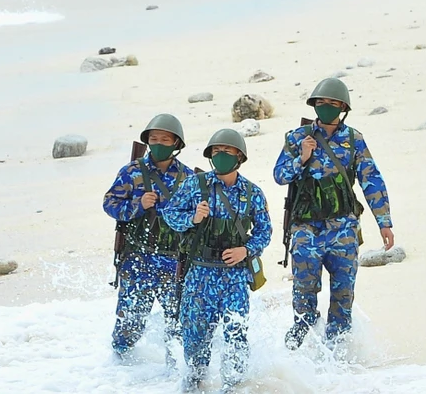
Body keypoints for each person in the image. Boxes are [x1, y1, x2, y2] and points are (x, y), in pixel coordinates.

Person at [274, 77, 395, 349]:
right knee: (303, 295)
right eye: (321, 102)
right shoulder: (297, 137)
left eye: (332, 103)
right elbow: (279, 176)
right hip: (306, 229)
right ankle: (299, 352)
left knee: (343, 297)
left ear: (342, 107)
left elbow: (371, 180)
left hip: (343, 229)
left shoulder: (354, 140)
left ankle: (338, 357)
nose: (326, 106)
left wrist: (384, 222)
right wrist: (302, 158)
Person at [162, 128, 271, 392]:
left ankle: (234, 386)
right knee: (195, 338)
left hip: (234, 277)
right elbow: (170, 214)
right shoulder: (195, 185)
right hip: (200, 274)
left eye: (227, 151)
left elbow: (265, 232)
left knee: (236, 335)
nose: (221, 156)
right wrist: (193, 218)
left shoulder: (252, 193)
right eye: (217, 151)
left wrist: (246, 251)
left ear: (239, 156)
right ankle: (195, 384)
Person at [102, 113, 191, 362]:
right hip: (138, 259)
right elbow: (109, 204)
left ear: (176, 143)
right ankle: (120, 370)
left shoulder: (188, 178)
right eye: (154, 139)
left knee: (177, 323)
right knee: (129, 323)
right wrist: (137, 205)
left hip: (173, 261)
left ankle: (176, 372)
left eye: (165, 139)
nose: (159, 144)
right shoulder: (132, 172)